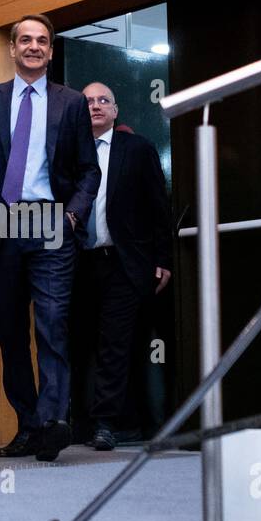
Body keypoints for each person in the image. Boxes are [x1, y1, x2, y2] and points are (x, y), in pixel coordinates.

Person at [0, 14, 100, 462]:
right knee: (10, 330)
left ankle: (54, 423)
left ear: (51, 51)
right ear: (12, 49)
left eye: (43, 41)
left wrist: (73, 217)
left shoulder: (70, 103)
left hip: (51, 221)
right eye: (26, 40)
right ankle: (28, 424)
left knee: (52, 323)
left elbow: (88, 171)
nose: (34, 47)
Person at [69, 82, 172, 450]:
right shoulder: (67, 151)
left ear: (115, 110)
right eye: (88, 101)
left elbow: (159, 207)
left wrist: (163, 259)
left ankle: (106, 424)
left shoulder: (138, 149)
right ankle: (76, 421)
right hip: (76, 262)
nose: (95, 106)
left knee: (115, 344)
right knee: (77, 342)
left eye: (103, 101)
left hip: (124, 264)